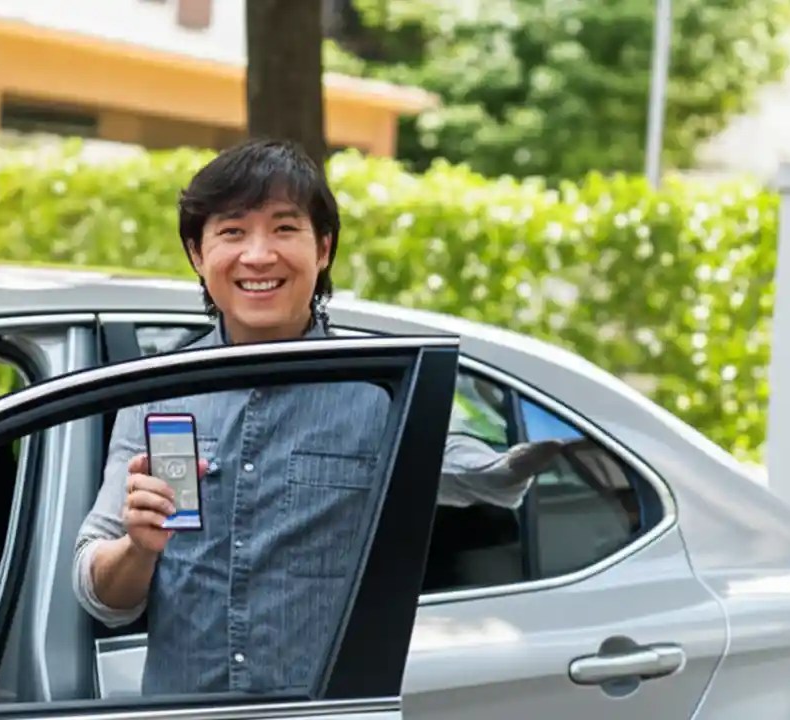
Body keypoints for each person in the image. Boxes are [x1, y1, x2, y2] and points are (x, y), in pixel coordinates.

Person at [71, 138, 564, 697]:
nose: (258, 255)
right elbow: (100, 596)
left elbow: (488, 476)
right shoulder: (160, 390)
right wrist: (139, 548)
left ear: (323, 248)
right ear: (197, 254)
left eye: (284, 228)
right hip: (186, 712)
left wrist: (552, 449)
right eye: (232, 232)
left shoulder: (380, 390)